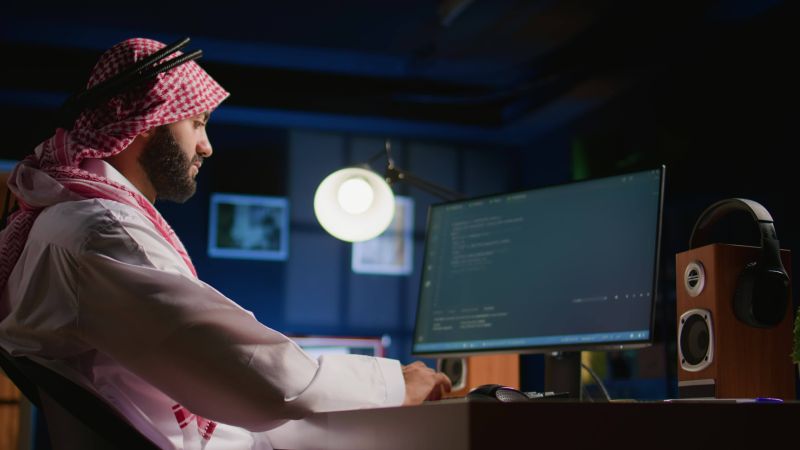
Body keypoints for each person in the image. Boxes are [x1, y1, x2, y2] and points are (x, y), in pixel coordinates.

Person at [0, 38, 450, 450]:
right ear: (146, 122)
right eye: (196, 124)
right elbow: (255, 375)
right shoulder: (101, 231)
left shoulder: (69, 221)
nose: (206, 146)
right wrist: (393, 384)